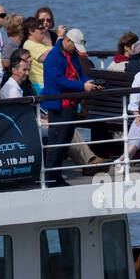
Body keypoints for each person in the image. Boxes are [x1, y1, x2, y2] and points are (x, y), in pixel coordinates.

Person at [42, 35, 103, 186]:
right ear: (68, 41)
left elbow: (78, 75)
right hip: (58, 105)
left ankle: (56, 176)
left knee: (64, 142)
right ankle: (50, 177)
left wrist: (89, 83)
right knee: (56, 143)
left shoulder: (72, 55)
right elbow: (59, 81)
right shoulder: (53, 57)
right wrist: (82, 86)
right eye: (75, 47)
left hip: (70, 105)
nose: (76, 50)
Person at [21, 16, 52, 95]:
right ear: (31, 31)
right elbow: (53, 58)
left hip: (50, 82)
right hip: (40, 84)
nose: (45, 30)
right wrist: (60, 37)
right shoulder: (30, 45)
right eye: (41, 28)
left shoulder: (43, 43)